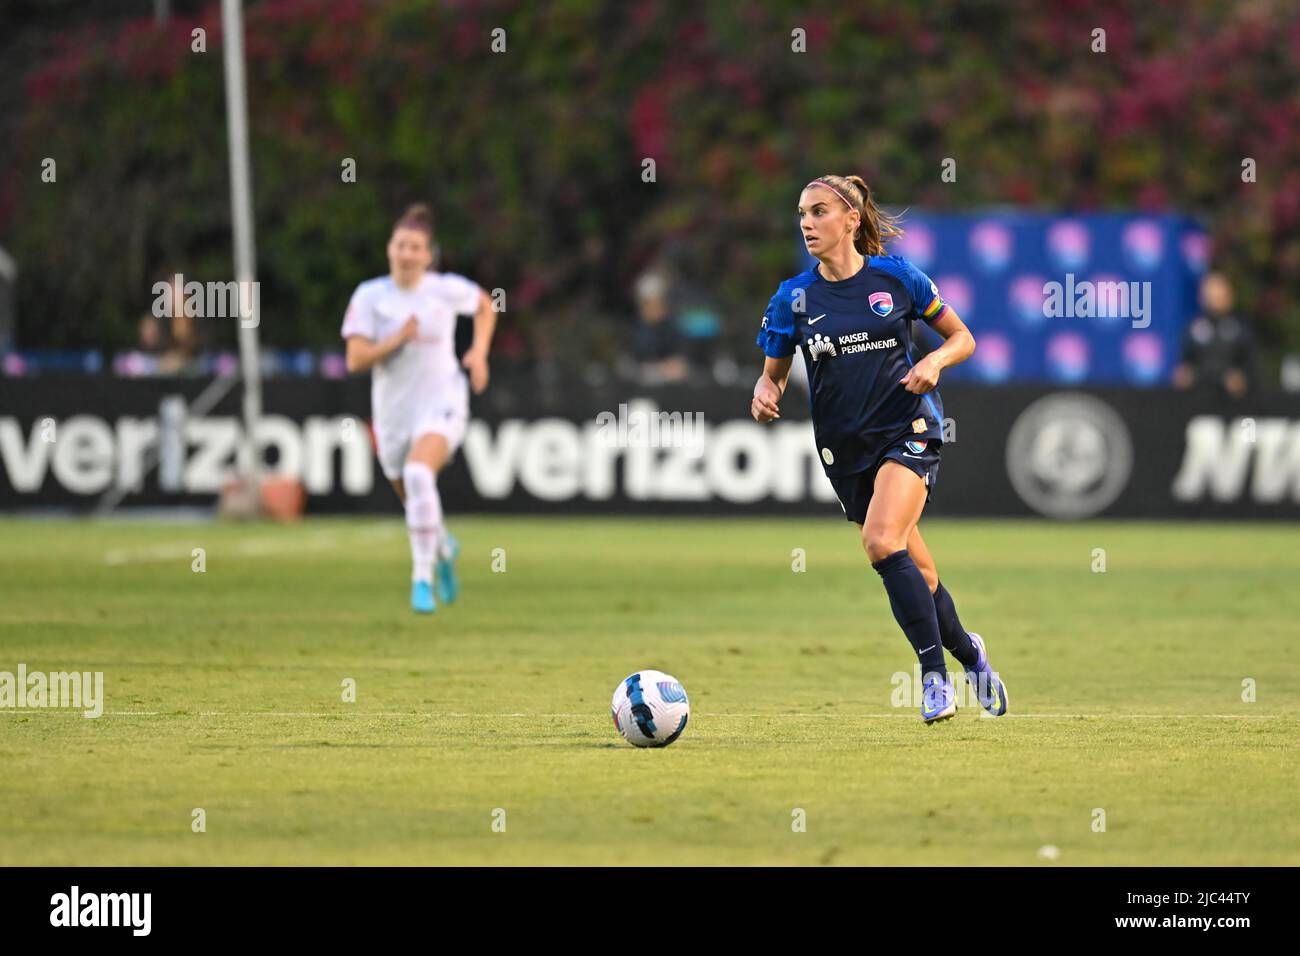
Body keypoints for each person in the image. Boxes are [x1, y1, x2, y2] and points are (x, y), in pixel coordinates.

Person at [750, 174, 1007, 723]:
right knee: (920, 574)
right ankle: (972, 656)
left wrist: (933, 361)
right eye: (801, 213)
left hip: (907, 429)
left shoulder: (898, 279)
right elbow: (772, 373)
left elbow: (962, 338)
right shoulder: (793, 298)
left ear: (851, 219)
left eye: (819, 212)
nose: (807, 223)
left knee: (879, 539)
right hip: (845, 452)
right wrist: (766, 388)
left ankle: (934, 677)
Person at [342, 203, 496, 614]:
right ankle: (443, 546)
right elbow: (355, 360)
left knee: (417, 472)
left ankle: (422, 578)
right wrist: (395, 339)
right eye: (401, 245)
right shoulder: (370, 297)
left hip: (444, 400)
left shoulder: (443, 289)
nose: (407, 254)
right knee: (411, 491)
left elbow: (485, 304)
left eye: (416, 247)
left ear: (429, 256)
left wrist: (479, 353)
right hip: (393, 412)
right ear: (389, 249)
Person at [1173, 272, 1258, 398]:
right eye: (1209, 295)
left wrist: (1241, 380)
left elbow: (1252, 369)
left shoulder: (1241, 330)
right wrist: (1184, 375)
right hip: (1197, 400)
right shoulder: (1192, 329)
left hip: (1234, 404)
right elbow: (1185, 364)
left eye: (1218, 295)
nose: (1213, 299)